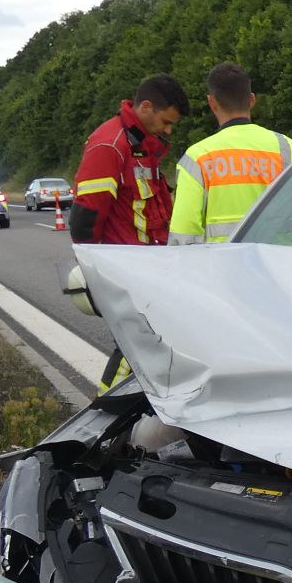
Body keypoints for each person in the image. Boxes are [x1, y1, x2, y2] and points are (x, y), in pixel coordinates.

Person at [71, 73, 191, 390]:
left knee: (145, 351)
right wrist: (96, 275)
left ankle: (131, 419)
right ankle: (104, 416)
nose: (167, 130)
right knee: (137, 351)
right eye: (166, 122)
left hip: (148, 271)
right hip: (124, 273)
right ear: (147, 107)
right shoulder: (109, 145)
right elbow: (84, 219)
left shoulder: (142, 146)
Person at [169, 63, 292, 246]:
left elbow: (183, 234)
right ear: (252, 100)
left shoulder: (198, 158)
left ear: (212, 102)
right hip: (279, 266)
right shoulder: (287, 149)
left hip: (222, 269)